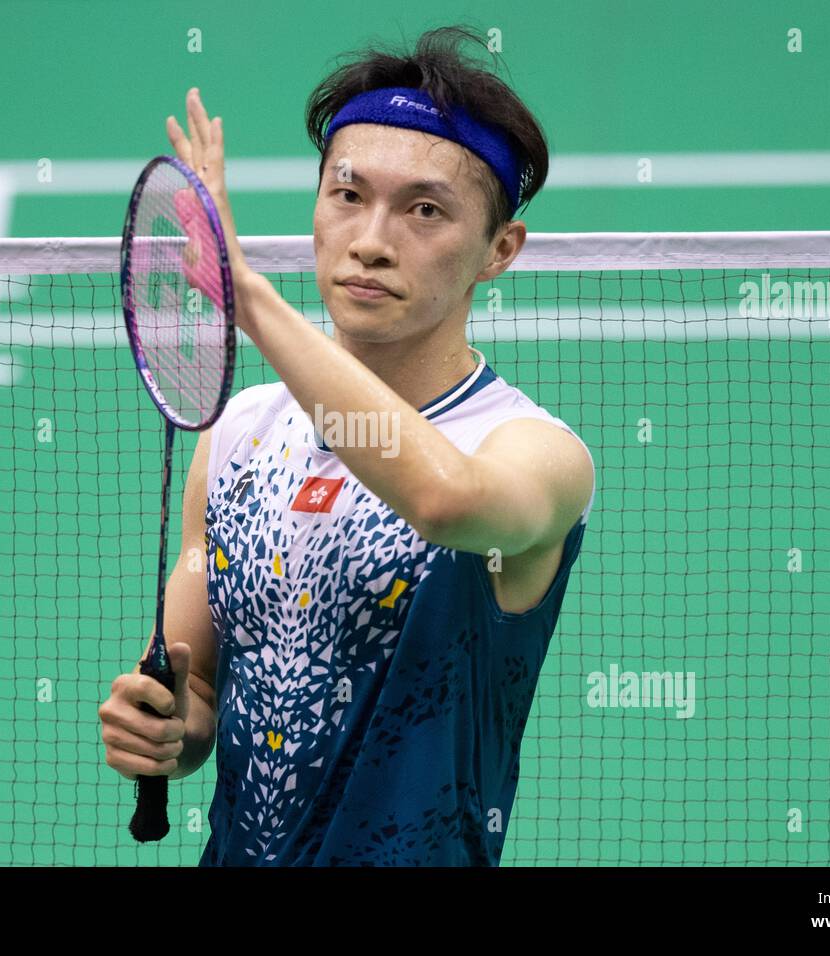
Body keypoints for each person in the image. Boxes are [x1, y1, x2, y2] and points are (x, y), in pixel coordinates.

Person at [100, 25, 595, 865]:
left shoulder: (536, 454)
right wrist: (166, 732)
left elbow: (446, 502)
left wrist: (244, 293)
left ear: (499, 251)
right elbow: (203, 703)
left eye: (426, 210)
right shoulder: (236, 435)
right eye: (347, 195)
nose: (372, 239)